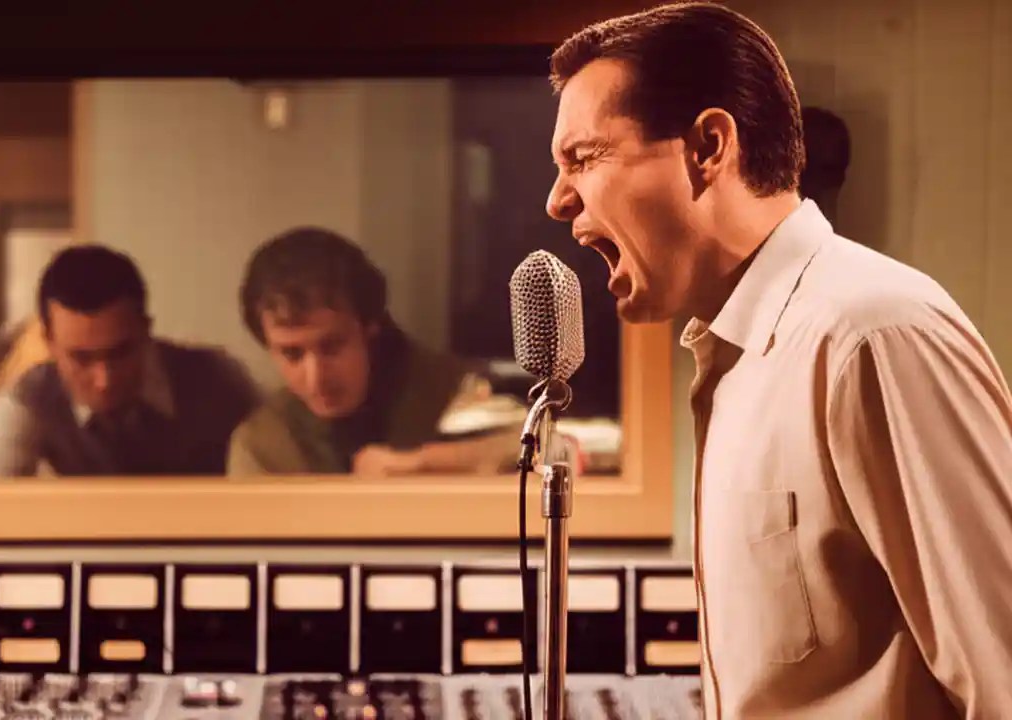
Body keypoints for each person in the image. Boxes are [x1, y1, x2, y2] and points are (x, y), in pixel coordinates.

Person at [545, 3, 1012, 718]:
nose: (557, 200)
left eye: (584, 157)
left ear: (707, 147)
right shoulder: (735, 360)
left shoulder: (871, 334)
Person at [227, 227, 518, 476]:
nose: (316, 378)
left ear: (370, 325)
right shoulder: (262, 444)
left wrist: (425, 463)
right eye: (292, 355)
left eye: (332, 346)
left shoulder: (461, 390)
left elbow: (553, 448)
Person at [0, 244, 258, 478]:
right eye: (81, 358)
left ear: (146, 329)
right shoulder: (30, 398)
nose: (104, 380)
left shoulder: (217, 380)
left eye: (120, 353)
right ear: (49, 342)